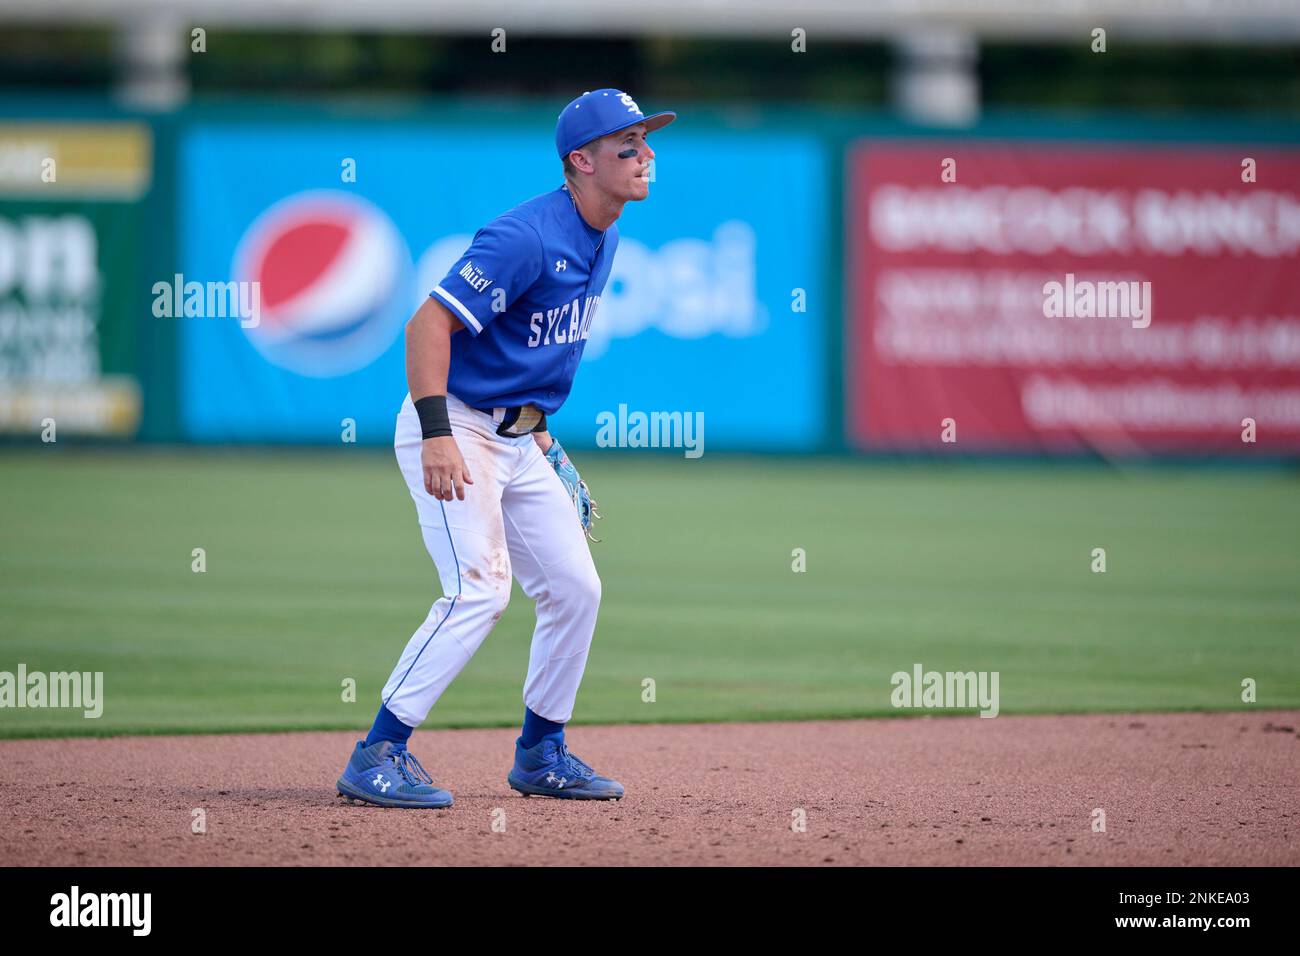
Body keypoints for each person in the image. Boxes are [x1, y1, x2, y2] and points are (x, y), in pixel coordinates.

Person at [336, 89, 676, 807]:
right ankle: (378, 753)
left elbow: (531, 353)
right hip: (454, 424)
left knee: (576, 589)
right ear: (580, 161)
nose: (646, 156)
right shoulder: (526, 236)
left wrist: (545, 440)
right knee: (480, 591)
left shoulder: (605, 235)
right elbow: (427, 327)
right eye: (628, 147)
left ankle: (540, 753)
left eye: (646, 142)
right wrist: (435, 433)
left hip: (518, 439)